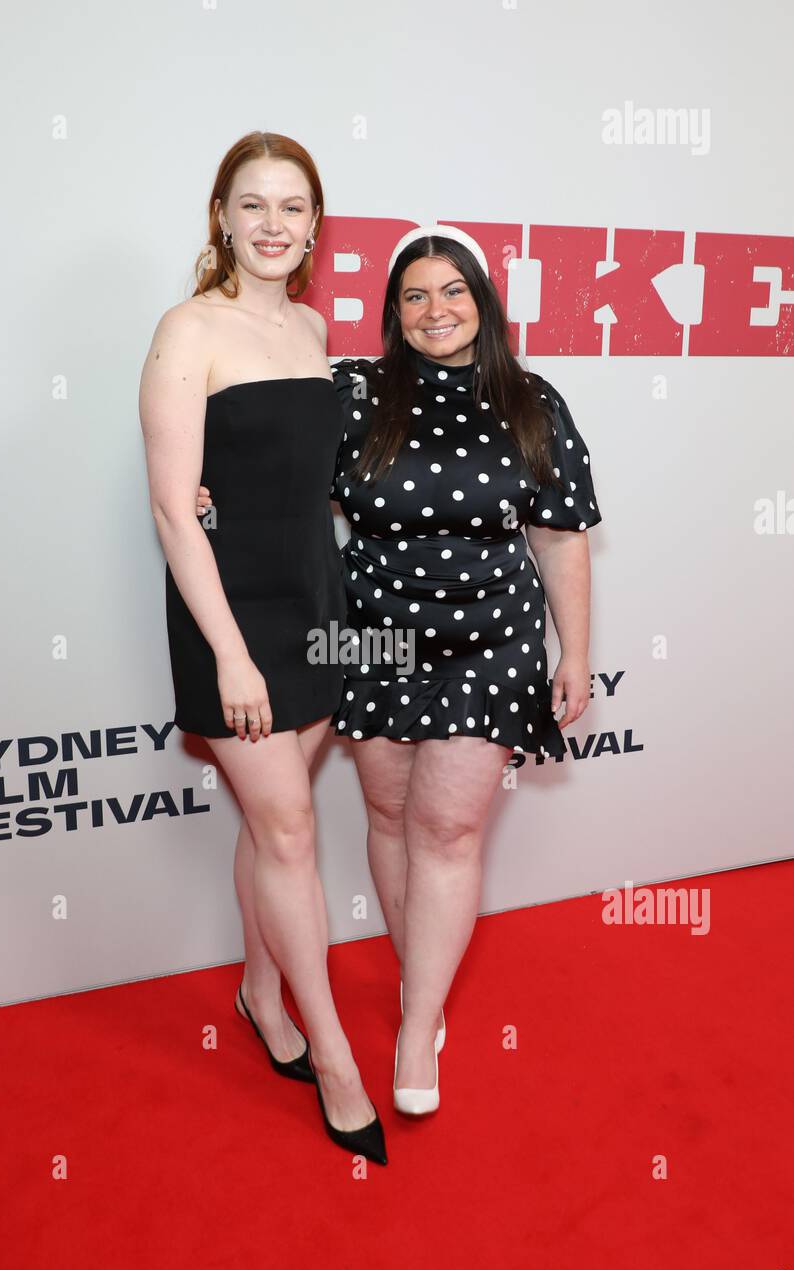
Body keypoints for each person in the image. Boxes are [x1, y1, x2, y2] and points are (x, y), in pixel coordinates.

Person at [197, 225, 602, 1117]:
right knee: (388, 814)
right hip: (374, 640)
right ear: (393, 313)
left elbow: (560, 534)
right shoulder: (355, 394)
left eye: (453, 292)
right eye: (414, 296)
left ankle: (420, 1022)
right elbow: (277, 475)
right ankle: (410, 970)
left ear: (483, 303)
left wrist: (575, 650)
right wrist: (204, 489)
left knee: (448, 831)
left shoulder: (533, 402)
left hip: (491, 645)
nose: (435, 311)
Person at [140, 130, 386, 1165]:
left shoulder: (313, 326)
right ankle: (330, 1056)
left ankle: (255, 988)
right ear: (222, 218)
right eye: (254, 205)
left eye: (292, 207)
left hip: (312, 602)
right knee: (289, 833)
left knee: (270, 825)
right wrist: (231, 657)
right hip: (227, 617)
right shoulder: (187, 327)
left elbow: (301, 480)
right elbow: (169, 506)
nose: (273, 224)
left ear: (314, 225)